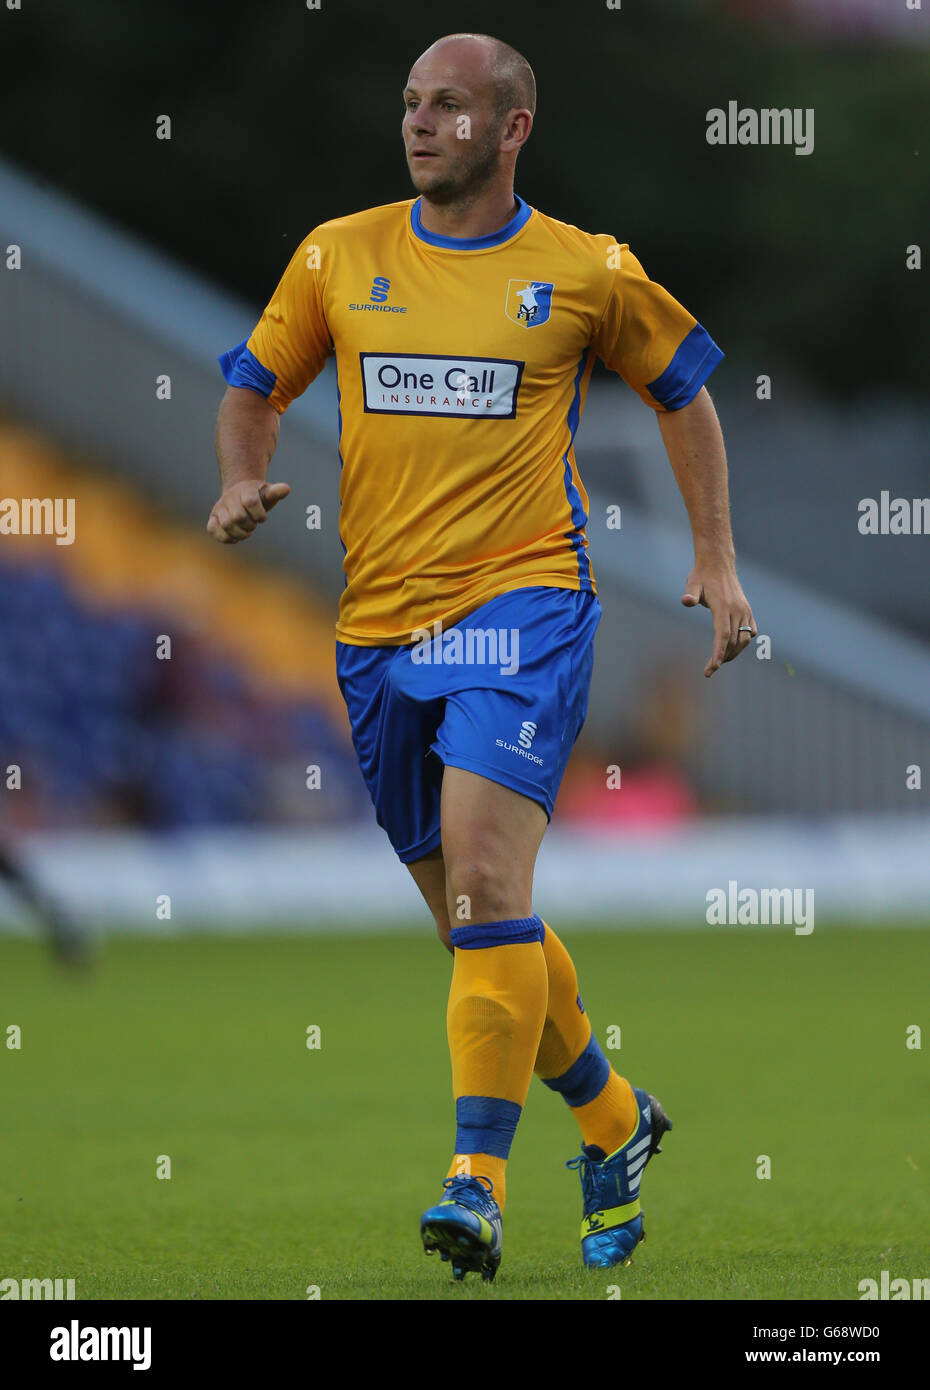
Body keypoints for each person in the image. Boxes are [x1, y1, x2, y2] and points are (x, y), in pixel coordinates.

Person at [209, 32, 756, 1283]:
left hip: (523, 612)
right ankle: (618, 1120)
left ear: (512, 129)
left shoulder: (585, 270)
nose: (418, 124)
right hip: (376, 633)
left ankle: (476, 1184)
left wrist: (717, 559)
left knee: (489, 886)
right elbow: (254, 382)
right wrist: (241, 479)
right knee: (476, 918)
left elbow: (686, 391)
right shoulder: (337, 253)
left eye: (448, 106)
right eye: (409, 103)